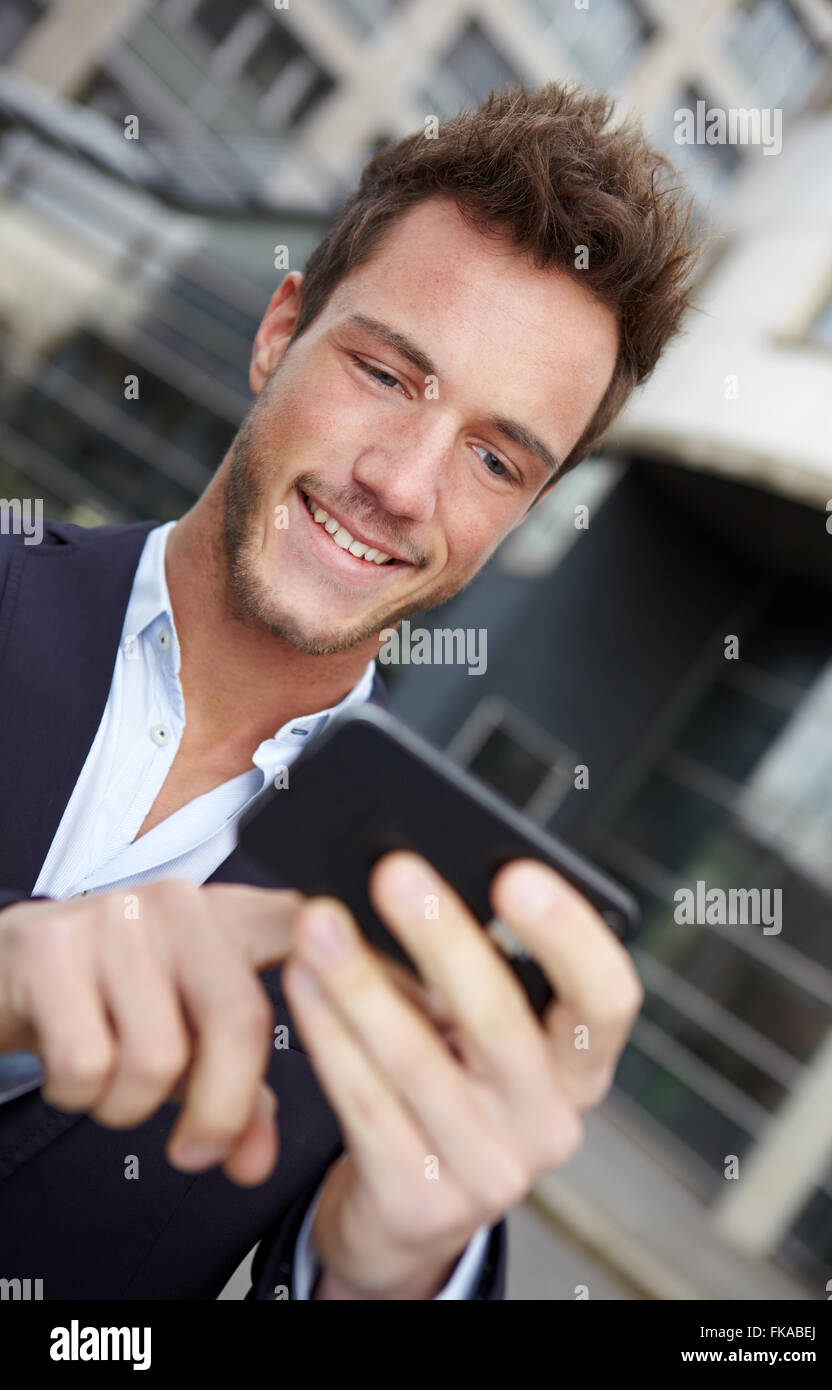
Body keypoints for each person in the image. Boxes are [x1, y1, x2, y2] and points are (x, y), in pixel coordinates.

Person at [0, 82, 699, 1300]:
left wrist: (389, 1271)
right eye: (385, 373)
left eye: (493, 457)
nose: (402, 484)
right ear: (280, 333)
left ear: (523, 516)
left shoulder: (421, 950)